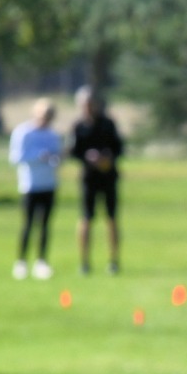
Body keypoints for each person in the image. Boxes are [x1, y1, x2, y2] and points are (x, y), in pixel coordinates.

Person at [70, 86, 123, 275]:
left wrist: (107, 158)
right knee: (86, 218)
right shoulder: (79, 126)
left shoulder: (108, 124)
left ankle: (114, 261)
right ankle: (84, 262)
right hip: (89, 178)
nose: (88, 107)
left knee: (111, 218)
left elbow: (119, 148)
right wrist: (88, 158)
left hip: (108, 177)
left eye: (90, 104)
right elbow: (74, 152)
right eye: (84, 104)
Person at [8, 99, 62, 280]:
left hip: (49, 184)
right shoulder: (24, 132)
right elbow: (16, 157)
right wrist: (39, 156)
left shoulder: (53, 135)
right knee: (28, 224)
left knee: (45, 225)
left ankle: (42, 261)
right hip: (30, 184)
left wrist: (55, 159)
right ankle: (21, 261)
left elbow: (58, 157)